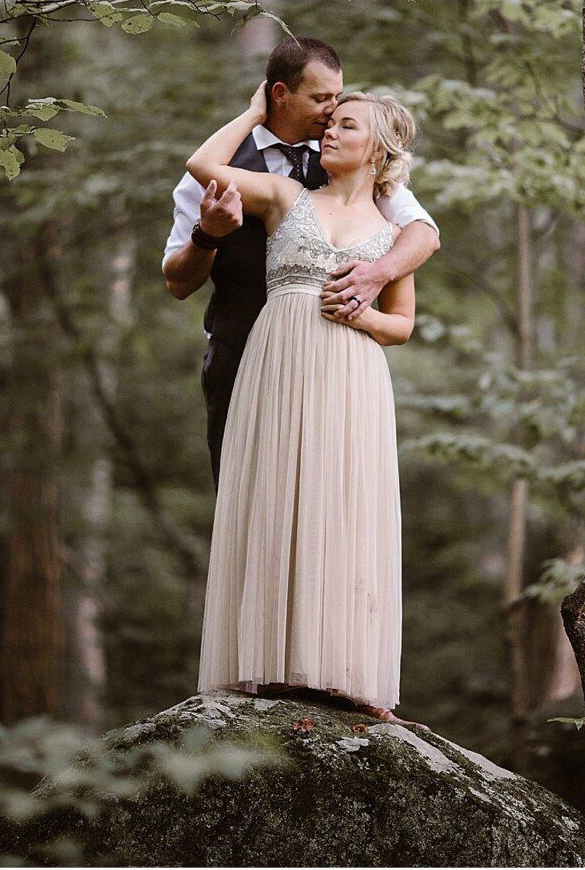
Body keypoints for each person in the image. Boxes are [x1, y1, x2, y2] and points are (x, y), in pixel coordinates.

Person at [189, 84, 416, 721]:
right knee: (276, 493)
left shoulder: (393, 232)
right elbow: (203, 165)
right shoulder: (288, 196)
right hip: (278, 358)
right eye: (330, 123)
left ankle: (341, 672)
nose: (329, 132)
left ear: (380, 148)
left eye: (347, 126)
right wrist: (256, 113)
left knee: (341, 500)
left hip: (352, 369)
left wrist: (364, 315)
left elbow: (403, 324)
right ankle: (261, 665)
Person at [162, 37, 439, 484]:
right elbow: (177, 282)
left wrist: (376, 276)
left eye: (338, 99)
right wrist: (207, 235)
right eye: (321, 98)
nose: (332, 113)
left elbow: (424, 234)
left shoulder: (352, 165)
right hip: (240, 359)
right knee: (248, 500)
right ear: (279, 94)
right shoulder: (231, 165)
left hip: (334, 367)